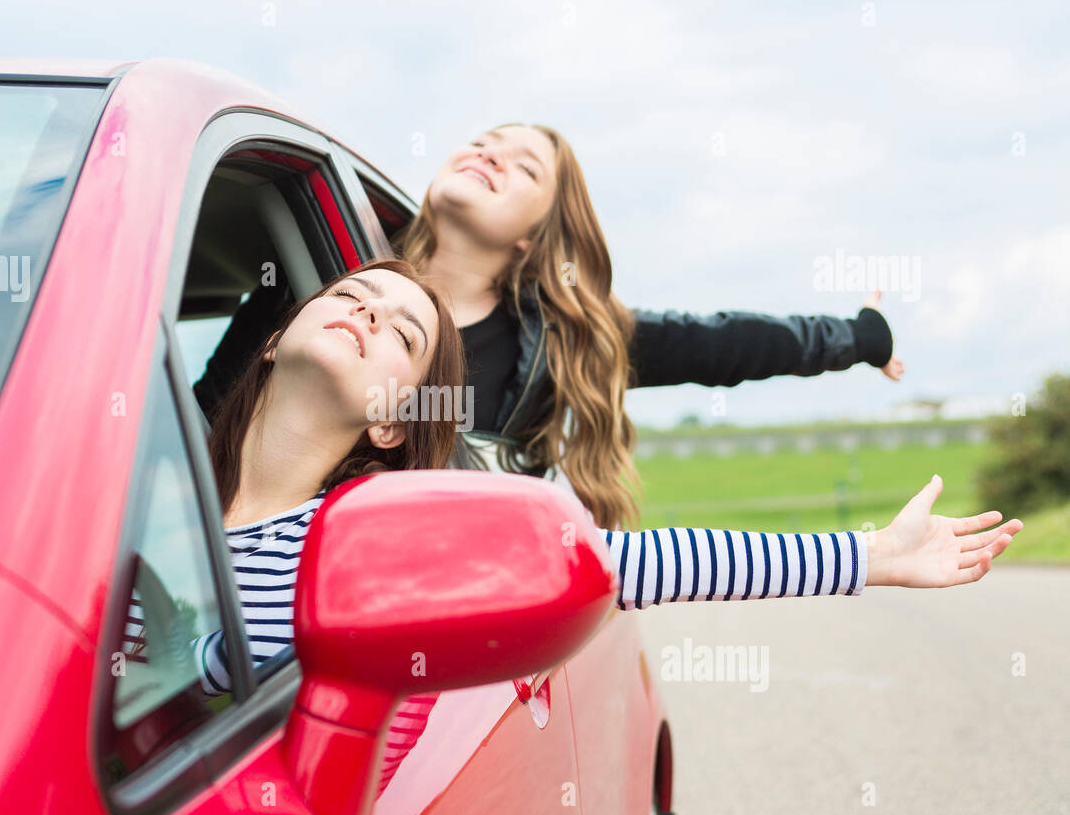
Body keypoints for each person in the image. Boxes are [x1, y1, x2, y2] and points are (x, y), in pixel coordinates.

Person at [187, 258, 1019, 695]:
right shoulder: (122, 493)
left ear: (392, 421)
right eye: (353, 292)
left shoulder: (361, 545)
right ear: (269, 340)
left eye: (403, 336)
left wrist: (866, 557)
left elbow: (623, 563)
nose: (369, 308)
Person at [195, 124, 907, 529]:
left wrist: (860, 337)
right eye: (483, 141)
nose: (488, 153)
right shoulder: (327, 290)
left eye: (522, 165)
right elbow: (205, 418)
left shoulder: (563, 346)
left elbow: (726, 343)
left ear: (535, 236)